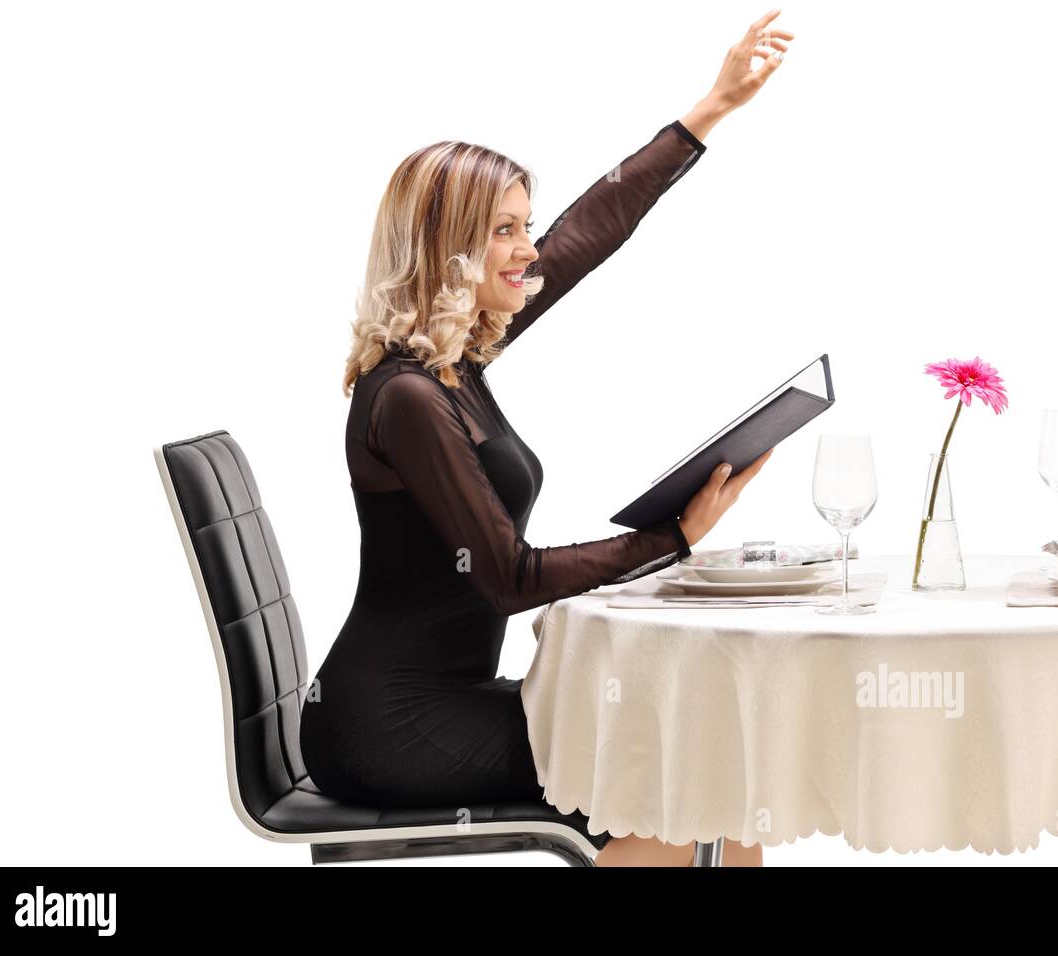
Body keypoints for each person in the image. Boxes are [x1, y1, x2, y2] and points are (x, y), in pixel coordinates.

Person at [300, 9, 794, 867]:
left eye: (524, 226)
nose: (528, 251)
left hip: (433, 699)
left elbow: (587, 234)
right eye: (504, 231)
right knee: (688, 773)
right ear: (445, 247)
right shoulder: (410, 395)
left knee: (714, 762)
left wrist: (712, 108)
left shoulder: (454, 360)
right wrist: (671, 537)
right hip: (396, 724)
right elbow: (507, 578)